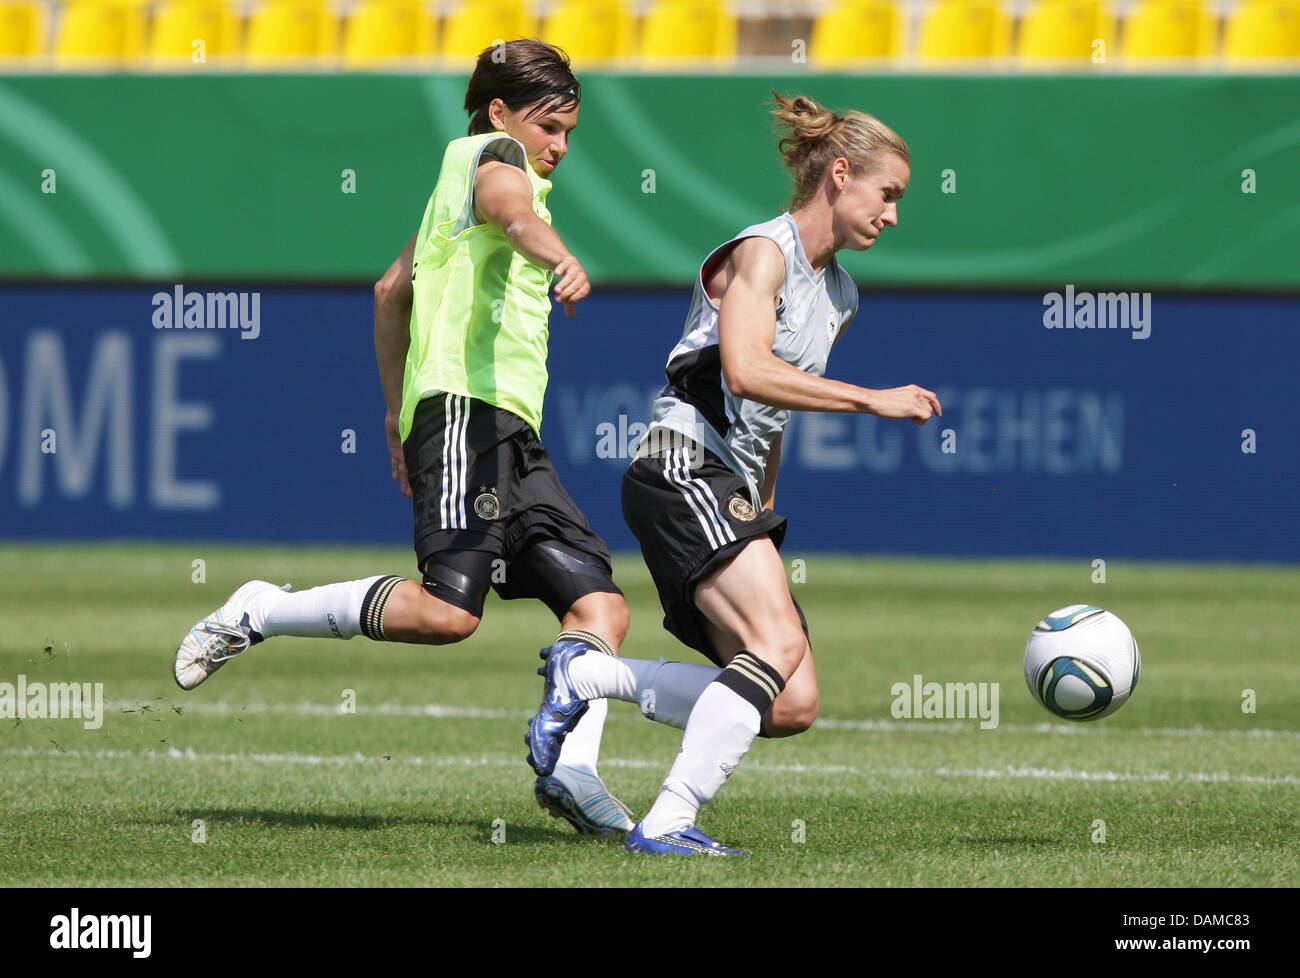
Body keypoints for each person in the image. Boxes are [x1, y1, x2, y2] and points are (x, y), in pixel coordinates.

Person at [173, 39, 635, 838]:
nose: (561, 147)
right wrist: (561, 257)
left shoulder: (450, 198)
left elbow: (392, 292)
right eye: (550, 127)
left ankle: (572, 770)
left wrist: (393, 415)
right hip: (465, 411)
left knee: (599, 605)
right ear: (500, 114)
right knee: (451, 614)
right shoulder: (492, 161)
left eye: (570, 133)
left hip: (505, 429)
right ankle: (260, 610)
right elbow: (514, 214)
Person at [526, 92, 942, 855]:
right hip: (680, 465)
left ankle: (589, 680)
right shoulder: (762, 251)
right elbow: (748, 372)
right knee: (778, 646)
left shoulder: (840, 294)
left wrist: (765, 503)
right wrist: (870, 401)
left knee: (791, 701)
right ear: (841, 175)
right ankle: (669, 820)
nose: (893, 215)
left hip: (725, 486)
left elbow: (773, 408)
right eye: (889, 195)